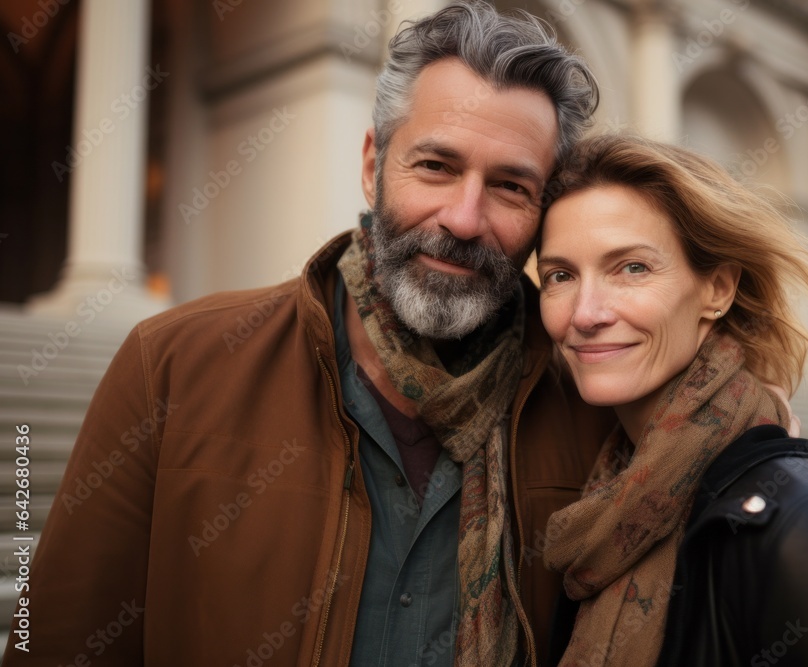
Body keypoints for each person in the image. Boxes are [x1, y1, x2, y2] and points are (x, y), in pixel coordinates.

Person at [3, 4, 612, 665]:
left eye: (510, 186)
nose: (464, 218)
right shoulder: (171, 367)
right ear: (373, 162)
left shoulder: (593, 412)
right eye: (435, 166)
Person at [536, 135, 808, 666]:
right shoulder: (605, 500)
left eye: (631, 268)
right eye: (560, 276)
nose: (585, 313)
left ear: (718, 289)